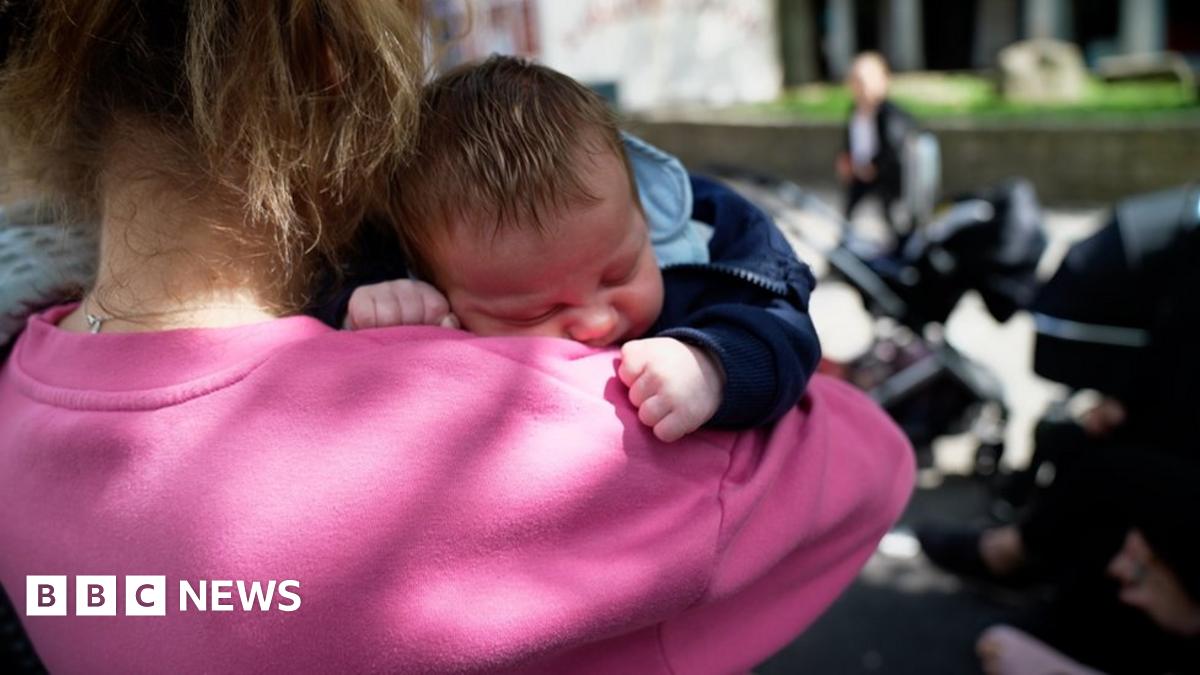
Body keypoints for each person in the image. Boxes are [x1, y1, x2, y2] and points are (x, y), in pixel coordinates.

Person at [0, 2, 914, 673]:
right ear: (326, 50)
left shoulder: (14, 415)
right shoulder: (562, 432)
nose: (592, 321)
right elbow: (872, 456)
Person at [338, 56, 821, 443]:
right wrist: (369, 308)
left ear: (643, 217)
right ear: (434, 281)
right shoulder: (406, 275)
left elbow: (787, 330)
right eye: (535, 311)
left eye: (619, 273)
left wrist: (714, 368)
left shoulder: (712, 240)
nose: (597, 321)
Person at [835, 52, 916, 240]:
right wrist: (846, 159)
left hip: (885, 176)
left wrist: (876, 167)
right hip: (859, 172)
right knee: (848, 214)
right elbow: (851, 141)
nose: (861, 88)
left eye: (865, 81)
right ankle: (844, 250)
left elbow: (895, 148)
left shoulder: (891, 116)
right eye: (856, 81)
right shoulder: (853, 111)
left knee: (893, 218)